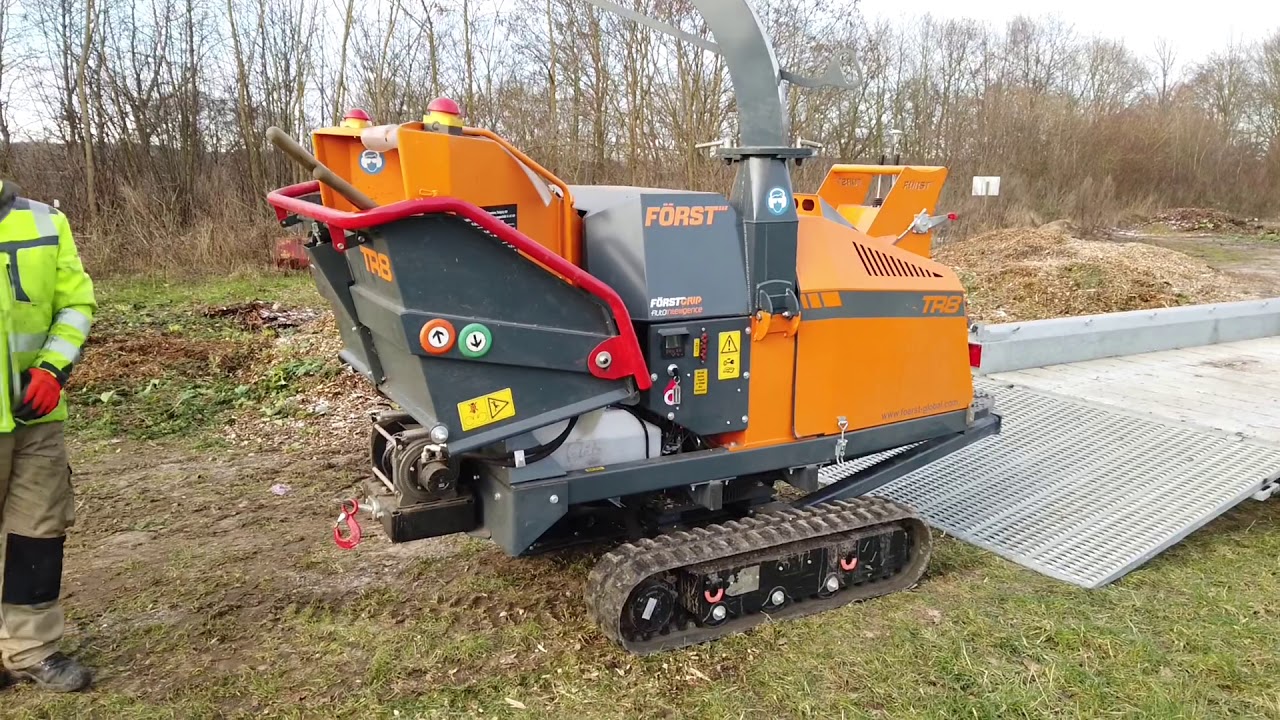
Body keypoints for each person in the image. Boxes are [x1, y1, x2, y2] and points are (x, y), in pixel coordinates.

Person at [0, 179, 96, 693]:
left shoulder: (42, 221)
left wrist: (51, 370)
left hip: (34, 413)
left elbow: (75, 304)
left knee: (37, 530)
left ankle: (31, 650)